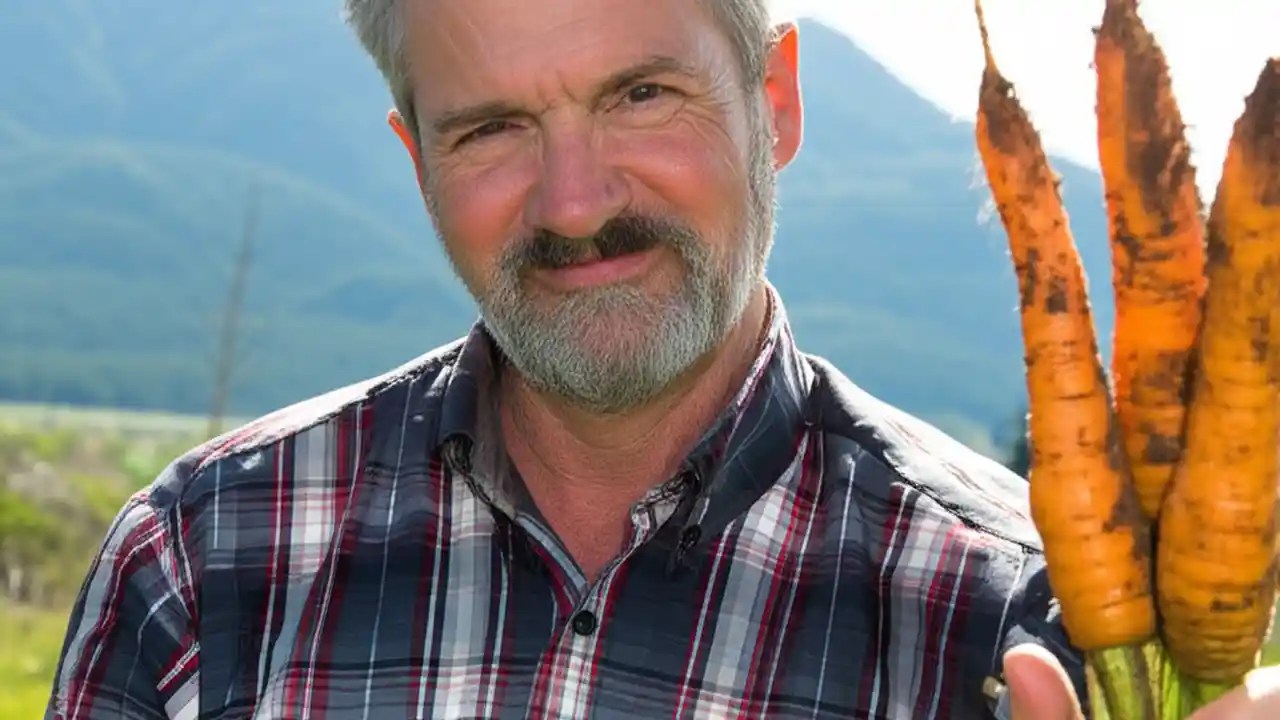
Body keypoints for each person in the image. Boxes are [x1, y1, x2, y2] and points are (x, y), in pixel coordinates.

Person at [44, 0, 1280, 717]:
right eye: (492, 128)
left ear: (776, 104)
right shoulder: (200, 559)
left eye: (640, 95)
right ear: (414, 157)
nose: (576, 202)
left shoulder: (1021, 621)